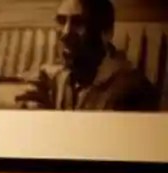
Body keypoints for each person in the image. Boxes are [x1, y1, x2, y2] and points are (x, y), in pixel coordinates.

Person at [16, 0, 159, 111]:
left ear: (107, 33)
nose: (65, 33)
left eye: (78, 23)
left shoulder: (132, 90)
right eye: (61, 21)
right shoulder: (57, 79)